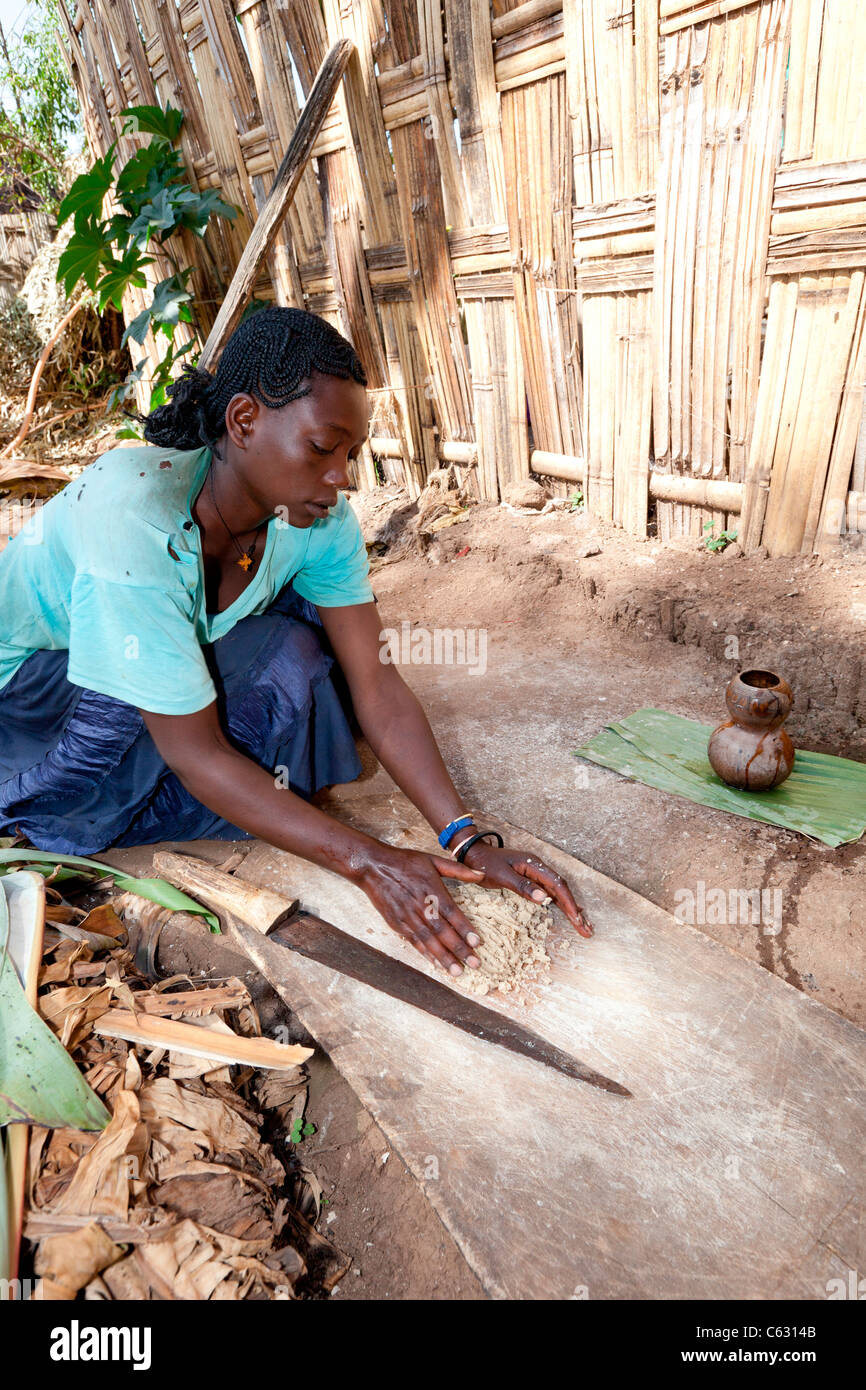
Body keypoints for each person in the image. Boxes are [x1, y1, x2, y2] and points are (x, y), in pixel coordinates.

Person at [0, 306, 591, 974]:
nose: (341, 477)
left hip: (145, 679)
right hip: (32, 703)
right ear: (245, 421)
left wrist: (465, 839)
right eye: (322, 448)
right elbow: (195, 751)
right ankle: (64, 820)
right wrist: (368, 863)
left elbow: (377, 681)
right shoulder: (135, 521)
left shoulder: (315, 518)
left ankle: (219, 801)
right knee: (159, 703)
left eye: (350, 455)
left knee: (300, 653)